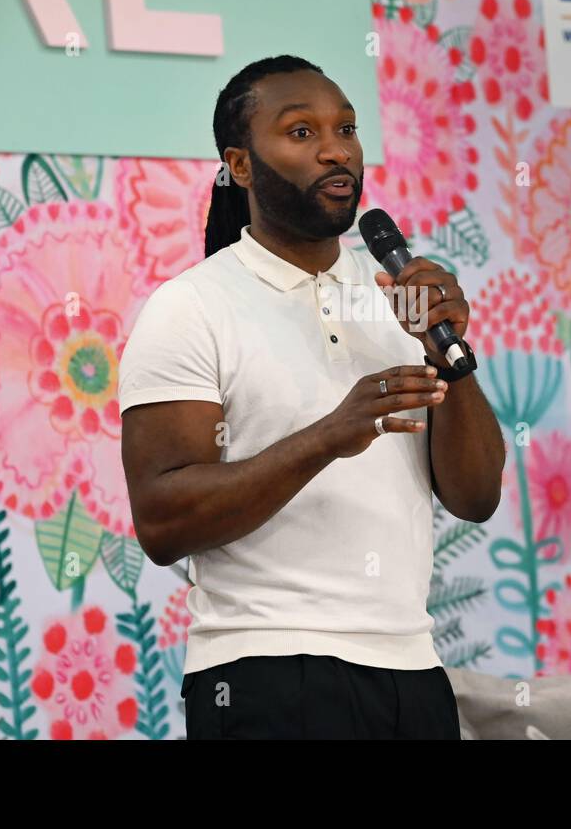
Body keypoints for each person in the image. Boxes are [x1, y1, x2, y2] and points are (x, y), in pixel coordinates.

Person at [118, 55, 505, 739]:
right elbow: (162, 522)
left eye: (347, 128)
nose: (336, 150)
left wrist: (444, 352)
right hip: (265, 674)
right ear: (240, 165)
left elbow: (475, 497)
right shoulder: (190, 308)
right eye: (300, 132)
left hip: (413, 672)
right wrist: (330, 434)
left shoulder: (398, 298)